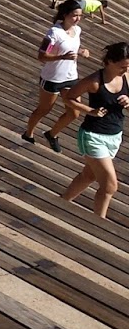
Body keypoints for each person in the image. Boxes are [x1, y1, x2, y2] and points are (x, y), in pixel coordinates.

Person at [59, 43, 129, 217]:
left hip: (114, 136)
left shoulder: (127, 76)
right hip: (93, 136)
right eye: (122, 66)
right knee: (110, 185)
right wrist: (90, 111)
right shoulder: (94, 81)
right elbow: (69, 98)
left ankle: (61, 203)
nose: (125, 70)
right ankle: (99, 223)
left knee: (89, 175)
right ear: (110, 61)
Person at [25, 0, 89, 147]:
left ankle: (52, 134)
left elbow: (72, 47)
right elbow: (41, 56)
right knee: (44, 109)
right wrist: (62, 57)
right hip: (52, 78)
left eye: (80, 16)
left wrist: (81, 51)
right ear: (65, 15)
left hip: (71, 77)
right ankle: (28, 133)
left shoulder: (77, 30)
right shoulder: (53, 33)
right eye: (74, 16)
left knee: (74, 113)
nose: (78, 19)